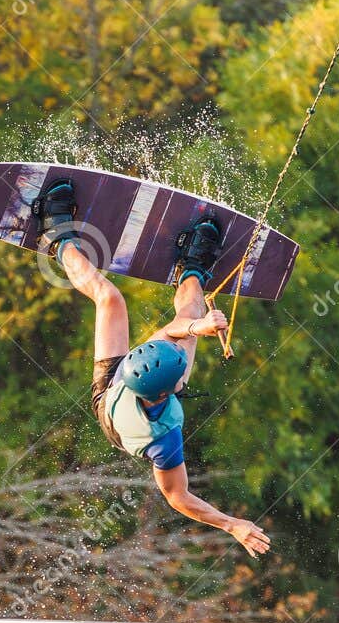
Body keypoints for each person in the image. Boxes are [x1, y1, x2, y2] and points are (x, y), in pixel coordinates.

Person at [33, 178, 272, 558]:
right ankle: (193, 269)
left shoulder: (152, 408)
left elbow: (177, 496)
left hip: (110, 395)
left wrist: (196, 329)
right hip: (130, 393)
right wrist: (197, 327)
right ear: (168, 388)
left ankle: (57, 235)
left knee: (109, 299)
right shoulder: (163, 422)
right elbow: (179, 496)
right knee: (189, 318)